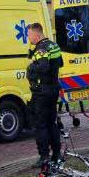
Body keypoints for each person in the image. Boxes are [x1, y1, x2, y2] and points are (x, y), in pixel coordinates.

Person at [25, 22, 63, 168]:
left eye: (29, 35)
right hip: (53, 89)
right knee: (51, 123)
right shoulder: (54, 45)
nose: (28, 37)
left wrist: (31, 67)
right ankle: (57, 154)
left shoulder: (41, 49)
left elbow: (43, 66)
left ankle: (44, 156)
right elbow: (60, 63)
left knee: (40, 125)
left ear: (37, 34)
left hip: (42, 92)